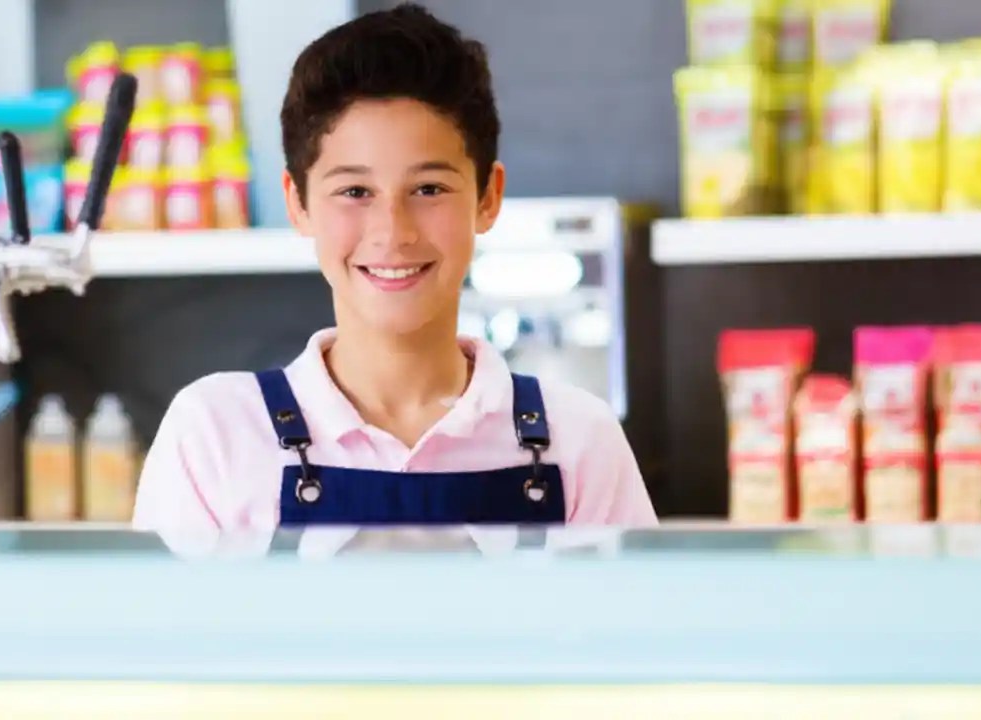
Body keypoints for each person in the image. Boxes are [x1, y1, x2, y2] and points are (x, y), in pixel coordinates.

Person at [132, 3, 657, 556]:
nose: (392, 232)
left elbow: (633, 641)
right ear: (298, 203)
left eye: (428, 189)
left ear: (488, 197)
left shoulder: (580, 440)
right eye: (355, 192)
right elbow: (164, 642)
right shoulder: (217, 433)